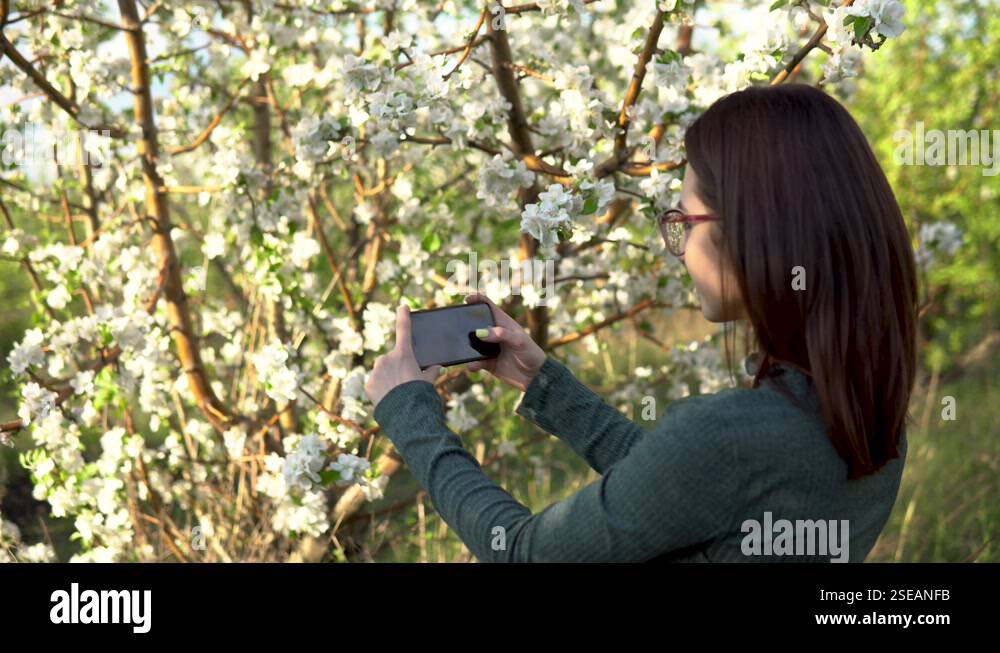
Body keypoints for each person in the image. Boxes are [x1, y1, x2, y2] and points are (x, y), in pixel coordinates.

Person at [363, 83, 918, 562]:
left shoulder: (729, 435)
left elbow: (526, 552)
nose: (677, 250)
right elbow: (682, 490)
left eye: (682, 222)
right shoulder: (870, 417)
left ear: (753, 233)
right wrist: (543, 383)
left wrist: (411, 415)